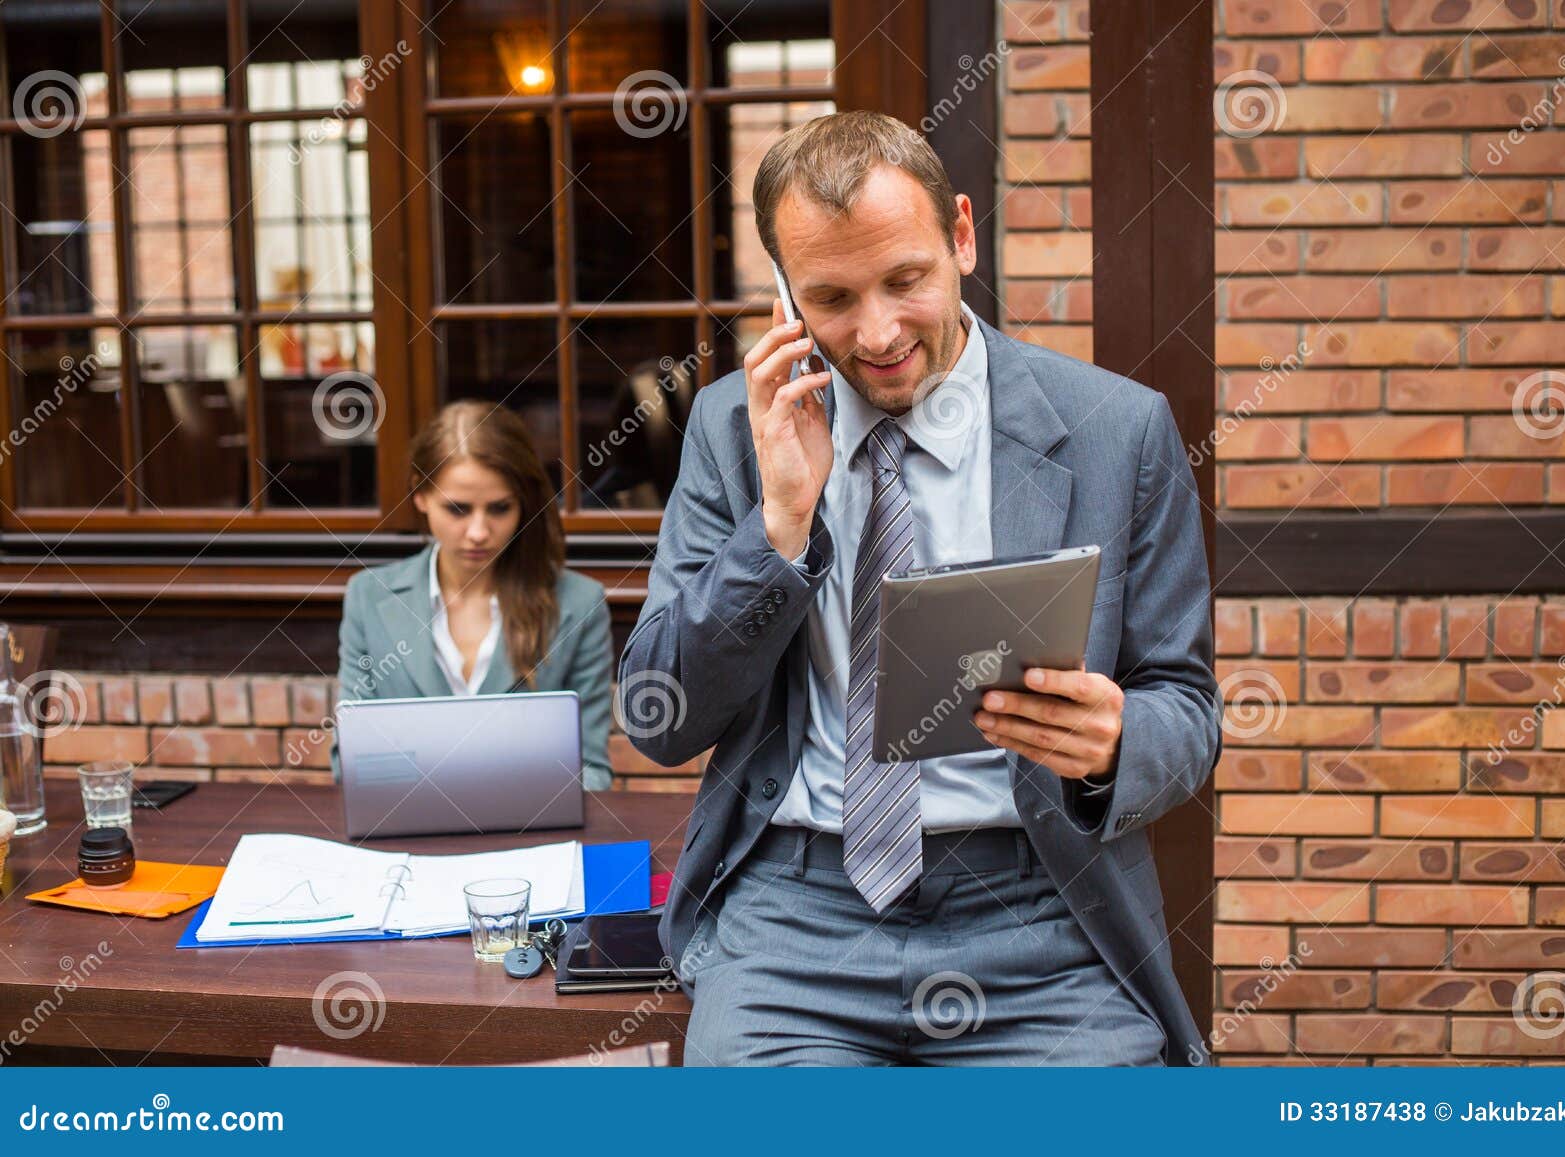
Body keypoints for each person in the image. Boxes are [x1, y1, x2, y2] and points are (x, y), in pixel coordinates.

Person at [619, 111, 1220, 1065]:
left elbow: (1187, 710)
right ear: (783, 294)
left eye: (906, 280)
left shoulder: (1119, 429)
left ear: (962, 236)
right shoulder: (736, 429)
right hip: (797, 917)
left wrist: (1114, 741)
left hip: (1039, 917)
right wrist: (777, 525)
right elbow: (661, 717)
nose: (880, 331)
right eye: (832, 297)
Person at [337, 400, 614, 790]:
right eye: (458, 509)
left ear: (523, 504)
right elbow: (351, 760)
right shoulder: (369, 597)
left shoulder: (580, 604)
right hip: (406, 839)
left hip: (530, 841)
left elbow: (591, 770)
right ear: (420, 495)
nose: (479, 532)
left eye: (500, 508)